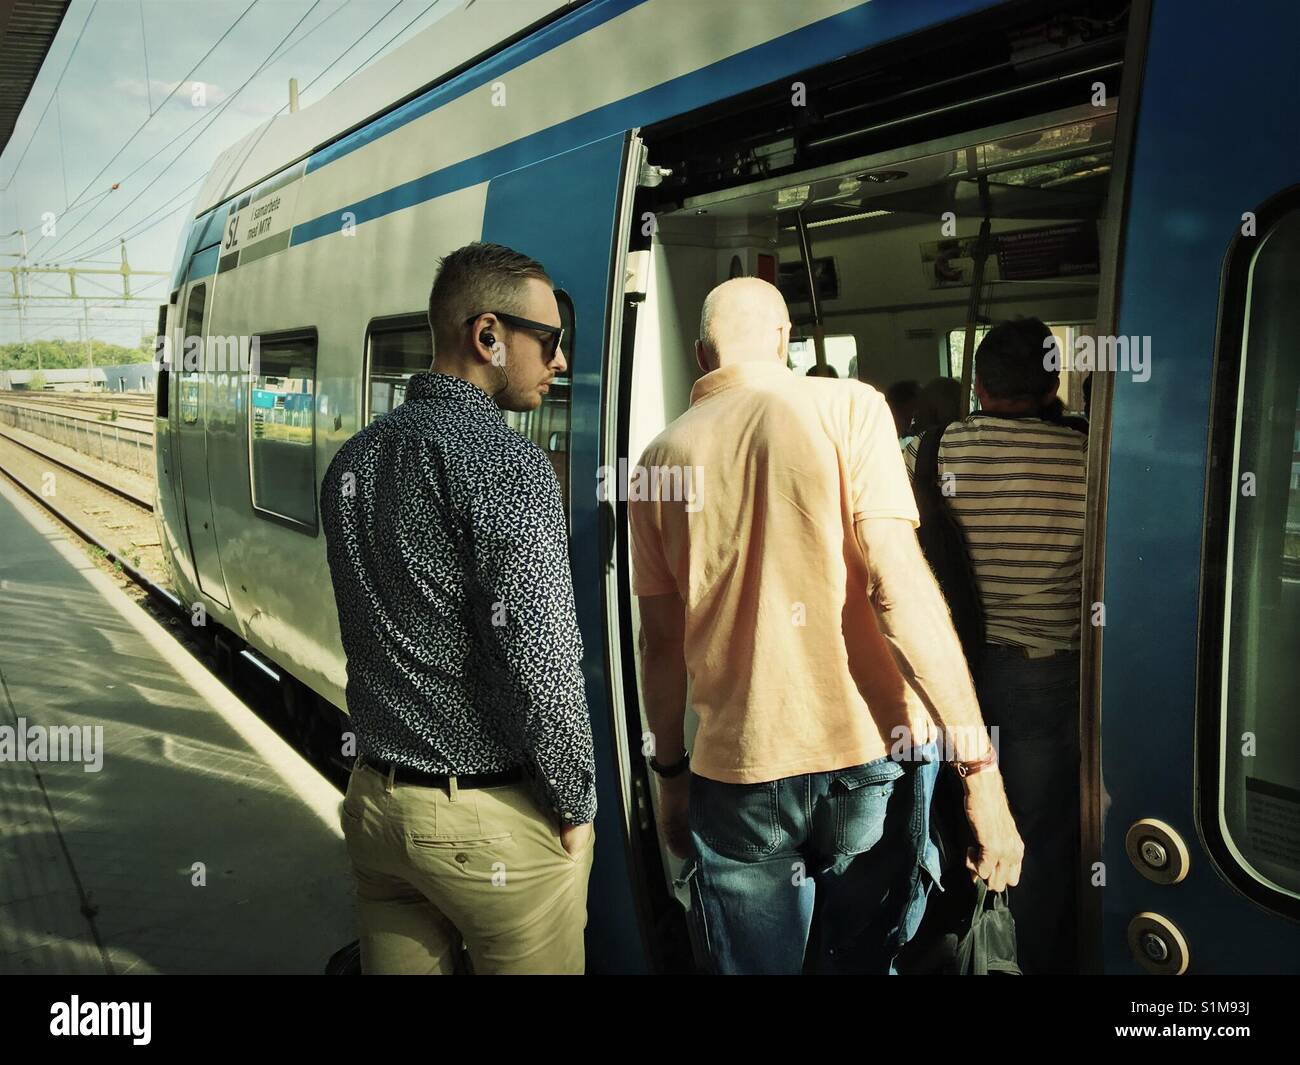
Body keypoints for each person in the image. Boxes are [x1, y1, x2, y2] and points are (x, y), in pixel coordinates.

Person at [629, 278, 1023, 975]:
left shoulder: (659, 460)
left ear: (701, 354)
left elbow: (658, 642)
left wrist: (669, 776)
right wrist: (979, 769)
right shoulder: (850, 407)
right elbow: (899, 589)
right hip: (866, 756)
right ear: (786, 340)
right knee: (866, 961)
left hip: (737, 772)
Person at [319, 242, 596, 975]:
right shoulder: (509, 464)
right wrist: (577, 806)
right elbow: (544, 665)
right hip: (481, 825)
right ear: (488, 336)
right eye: (551, 339)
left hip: (377, 809)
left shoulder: (355, 459)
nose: (560, 361)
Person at [905, 317, 1086, 974]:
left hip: (942, 677)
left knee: (944, 826)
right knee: (1034, 839)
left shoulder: (931, 450)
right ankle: (1022, 958)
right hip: (1045, 677)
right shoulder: (1090, 456)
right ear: (1053, 383)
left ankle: (948, 950)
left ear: (977, 383)